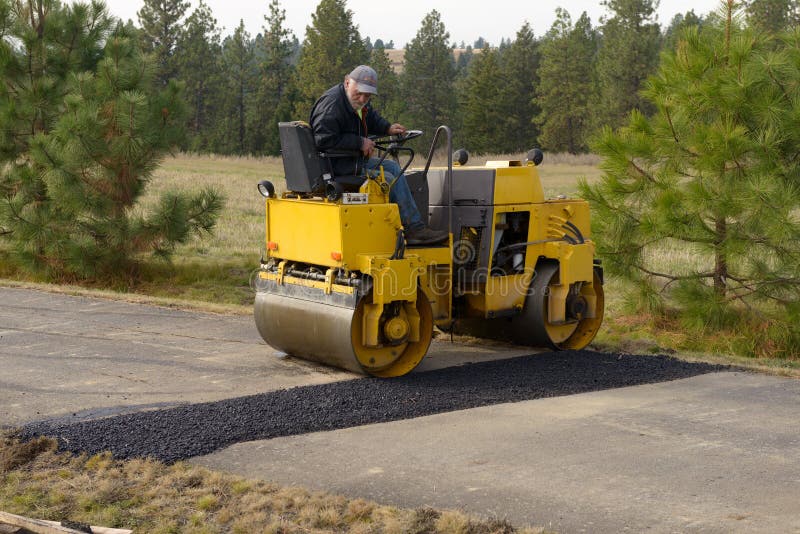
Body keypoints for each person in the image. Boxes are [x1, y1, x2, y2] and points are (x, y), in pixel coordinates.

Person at [309, 65, 448, 246]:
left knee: (392, 167)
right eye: (359, 93)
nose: (363, 99)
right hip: (335, 166)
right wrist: (359, 143)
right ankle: (412, 230)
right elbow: (322, 139)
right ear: (347, 82)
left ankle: (413, 226)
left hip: (348, 160)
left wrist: (387, 128)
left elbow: (370, 117)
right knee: (388, 178)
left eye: (367, 96)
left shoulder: (355, 102)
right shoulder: (332, 106)